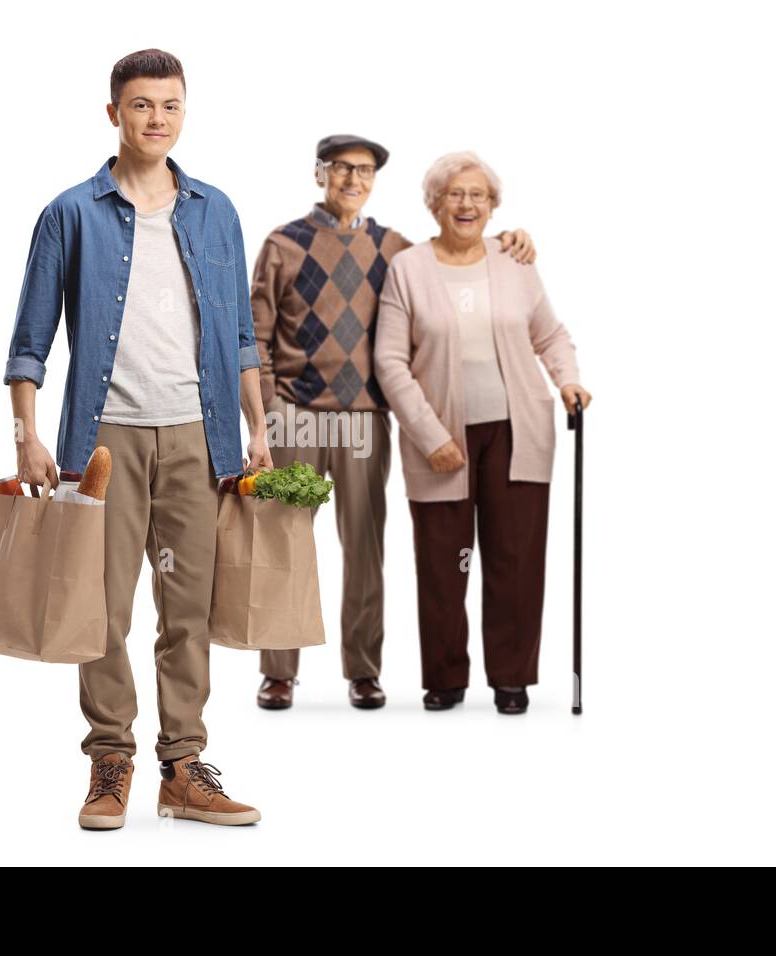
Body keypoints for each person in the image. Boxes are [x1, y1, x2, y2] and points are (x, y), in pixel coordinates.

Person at [4, 49, 270, 828]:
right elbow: (29, 339)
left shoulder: (215, 209)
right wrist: (26, 433)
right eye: (142, 105)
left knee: (188, 608)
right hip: (104, 438)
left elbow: (241, 334)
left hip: (199, 432)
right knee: (104, 607)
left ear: (184, 112)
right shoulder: (70, 212)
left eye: (171, 105)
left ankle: (183, 768)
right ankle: (110, 760)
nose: (157, 118)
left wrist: (259, 427)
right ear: (113, 112)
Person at [250, 134, 537, 711]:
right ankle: (278, 671)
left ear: (374, 181)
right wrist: (262, 419)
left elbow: (455, 251)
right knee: (284, 545)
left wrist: (510, 240)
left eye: (364, 171)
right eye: (341, 169)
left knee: (365, 549)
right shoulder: (283, 243)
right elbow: (254, 337)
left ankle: (362, 669)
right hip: (295, 417)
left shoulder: (394, 249)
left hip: (364, 419)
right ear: (319, 174)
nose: (353, 180)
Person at [372, 151, 594, 715]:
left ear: (493, 206)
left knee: (514, 561)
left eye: (478, 195)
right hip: (441, 436)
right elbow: (390, 362)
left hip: (518, 433)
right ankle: (445, 678)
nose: (466, 204)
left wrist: (568, 381)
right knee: (445, 563)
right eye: (455, 194)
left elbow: (550, 336)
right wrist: (431, 436)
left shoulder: (514, 260)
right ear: (435, 204)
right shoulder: (409, 268)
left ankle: (512, 677)